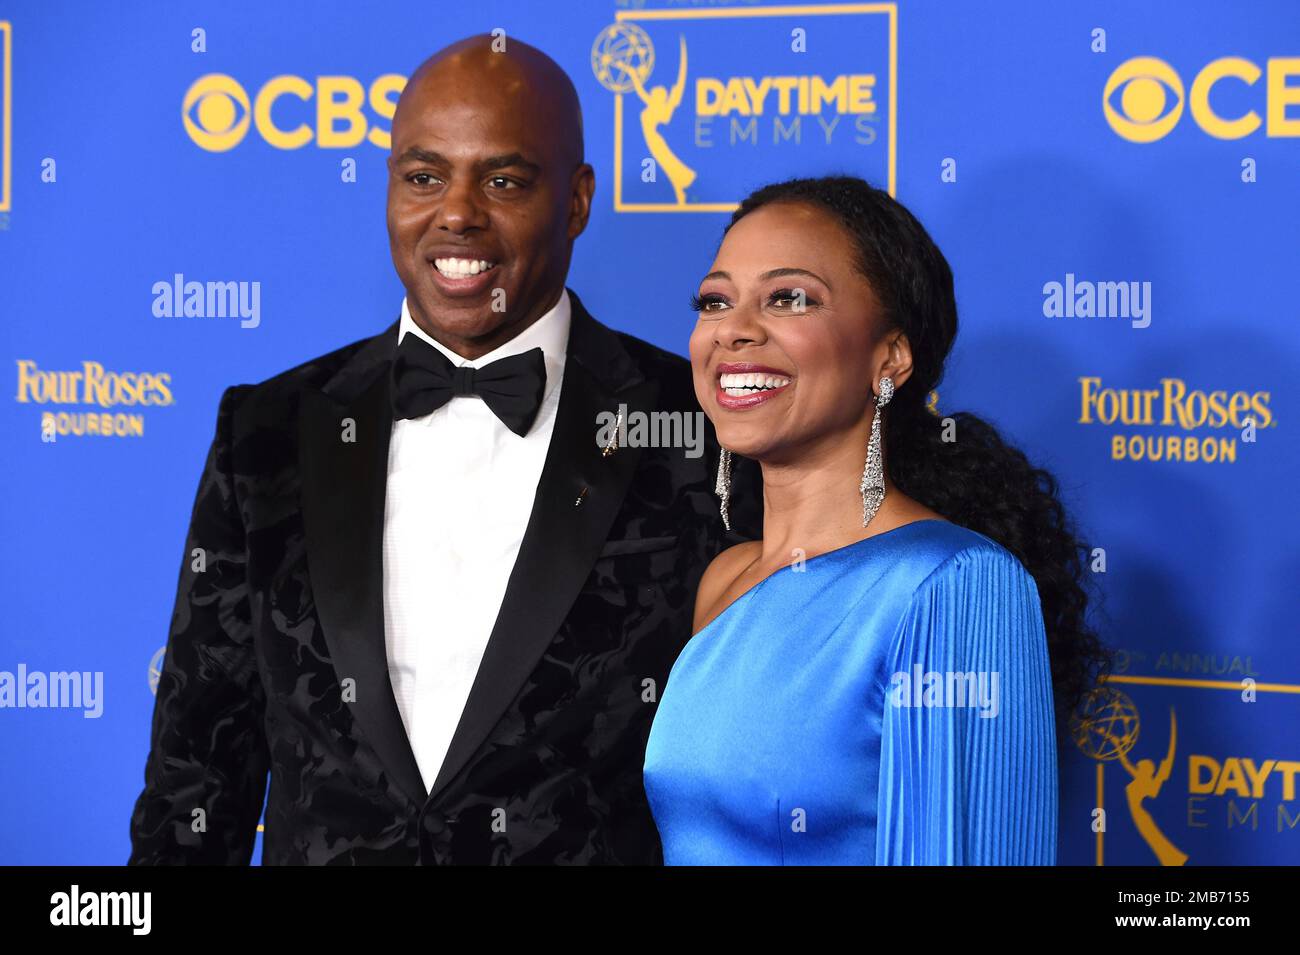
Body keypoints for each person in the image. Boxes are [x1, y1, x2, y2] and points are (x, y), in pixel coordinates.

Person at [127, 34, 760, 865]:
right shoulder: (270, 428)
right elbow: (198, 769)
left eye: (503, 179)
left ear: (575, 202)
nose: (456, 212)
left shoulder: (707, 426)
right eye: (424, 177)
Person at [643, 176, 1112, 865]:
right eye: (715, 300)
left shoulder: (956, 584)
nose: (735, 328)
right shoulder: (726, 580)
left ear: (889, 355)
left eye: (789, 297)